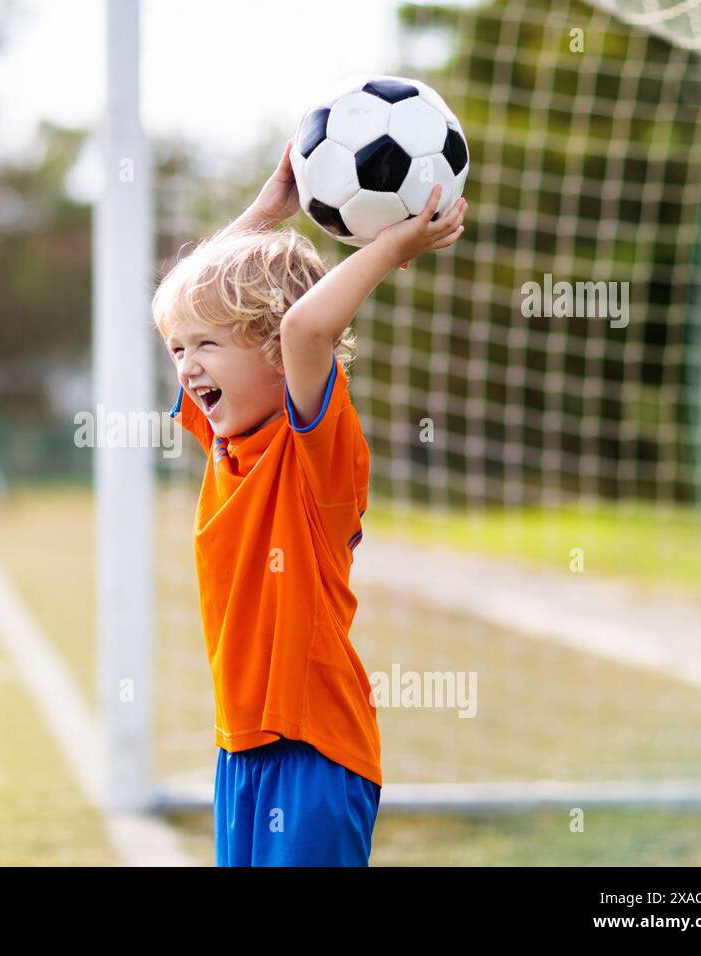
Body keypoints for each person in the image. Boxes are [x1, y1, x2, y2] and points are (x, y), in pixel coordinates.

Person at [151, 138, 467, 866]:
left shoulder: (313, 453)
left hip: (315, 749)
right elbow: (174, 311)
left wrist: (393, 246)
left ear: (270, 351)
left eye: (208, 345)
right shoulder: (227, 443)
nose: (186, 363)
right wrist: (266, 211)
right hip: (242, 748)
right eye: (179, 351)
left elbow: (305, 326)